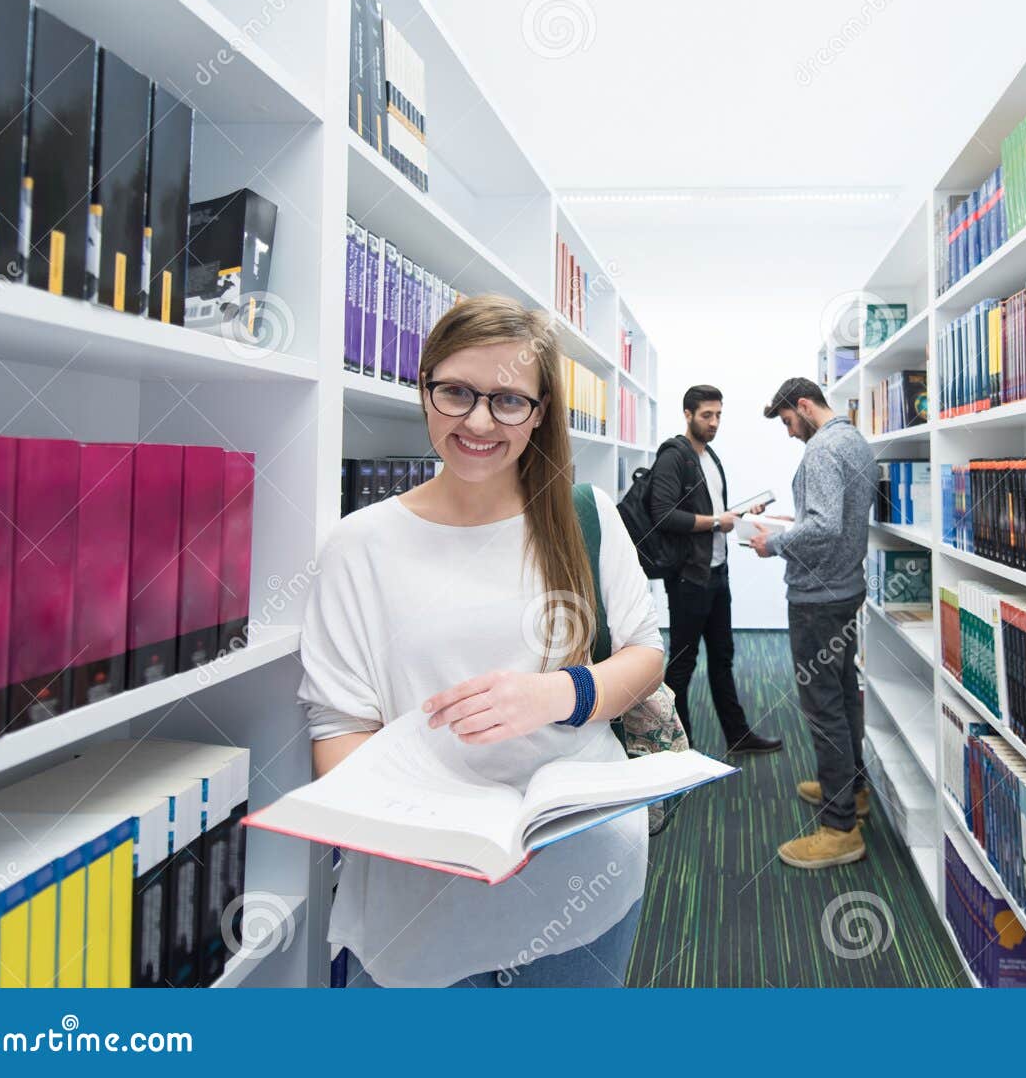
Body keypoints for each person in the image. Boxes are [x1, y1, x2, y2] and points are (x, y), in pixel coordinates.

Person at [295, 294, 666, 988]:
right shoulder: (359, 545)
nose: (477, 421)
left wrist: (559, 693)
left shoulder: (587, 518)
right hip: (420, 899)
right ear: (425, 385)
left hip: (584, 881)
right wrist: (421, 828)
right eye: (457, 392)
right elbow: (338, 728)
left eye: (508, 401)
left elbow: (645, 655)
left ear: (541, 411)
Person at [749, 377, 877, 869]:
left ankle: (839, 828)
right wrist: (792, 521)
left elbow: (823, 526)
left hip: (817, 599)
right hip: (846, 589)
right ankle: (852, 790)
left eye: (787, 422)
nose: (788, 433)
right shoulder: (855, 442)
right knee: (843, 698)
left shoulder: (823, 450)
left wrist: (774, 542)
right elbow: (834, 519)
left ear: (804, 406)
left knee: (823, 710)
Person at [646, 384, 781, 755]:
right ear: (687, 414)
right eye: (707, 415)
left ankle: (738, 736)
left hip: (717, 574)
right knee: (682, 665)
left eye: (718, 415)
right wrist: (714, 522)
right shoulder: (674, 456)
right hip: (689, 578)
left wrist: (737, 515)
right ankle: (679, 745)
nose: (714, 422)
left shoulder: (711, 457)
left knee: (723, 659)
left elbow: (715, 512)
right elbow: (664, 515)